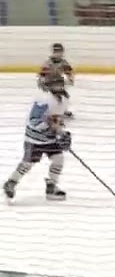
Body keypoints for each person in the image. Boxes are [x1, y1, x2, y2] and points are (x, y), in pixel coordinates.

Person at [4, 74, 71, 202]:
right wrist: (50, 126)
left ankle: (51, 187)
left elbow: (57, 119)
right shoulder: (44, 99)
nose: (58, 86)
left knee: (58, 159)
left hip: (50, 139)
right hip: (34, 139)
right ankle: (11, 183)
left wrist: (61, 132)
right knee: (27, 164)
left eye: (60, 83)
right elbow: (34, 120)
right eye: (55, 84)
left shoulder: (63, 98)